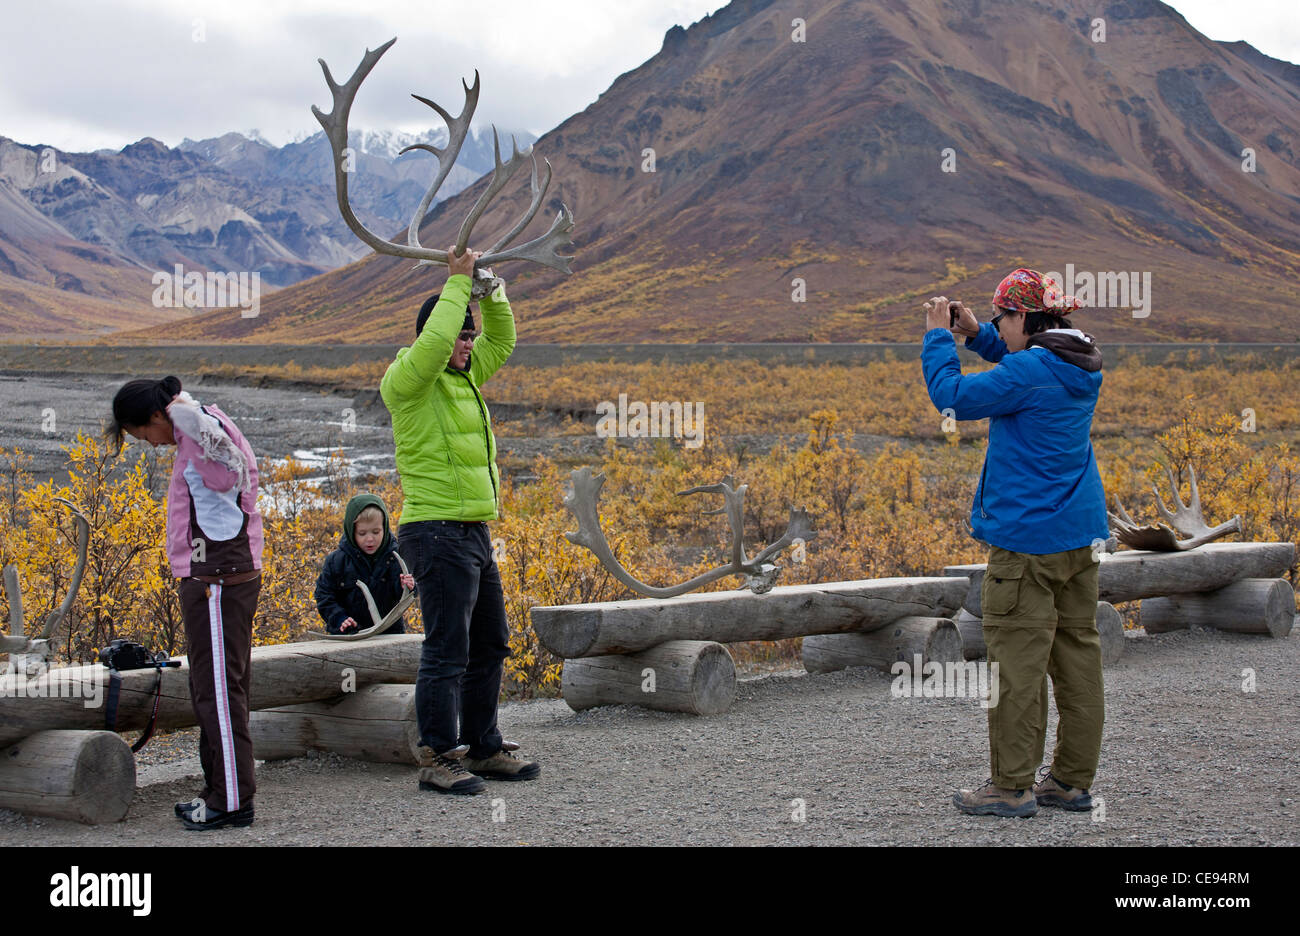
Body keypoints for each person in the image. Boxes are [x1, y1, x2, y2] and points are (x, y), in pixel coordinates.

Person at [920, 268, 1109, 818]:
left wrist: (939, 337)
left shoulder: (1031, 369)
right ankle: (1070, 783)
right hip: (1077, 540)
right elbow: (1023, 371)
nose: (1000, 326)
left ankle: (1011, 788)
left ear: (1024, 318)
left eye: (1003, 318)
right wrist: (979, 334)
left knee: (1017, 667)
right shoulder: (1078, 363)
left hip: (1027, 547)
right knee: (1077, 658)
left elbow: (951, 398)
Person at [380, 244, 540, 795]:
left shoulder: (465, 374)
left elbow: (505, 340)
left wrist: (491, 291)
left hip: (473, 529)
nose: (469, 346)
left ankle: (484, 746)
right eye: (459, 336)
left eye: (469, 337)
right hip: (434, 530)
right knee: (447, 646)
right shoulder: (408, 381)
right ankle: (438, 756)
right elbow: (431, 349)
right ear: (436, 337)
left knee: (490, 639)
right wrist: (456, 282)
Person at [106, 376, 262, 830]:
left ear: (156, 417)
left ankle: (232, 800)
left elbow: (228, 474)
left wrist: (191, 426)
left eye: (142, 436)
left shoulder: (196, 429)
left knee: (217, 690)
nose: (151, 445)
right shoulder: (199, 423)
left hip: (217, 576)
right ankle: (219, 790)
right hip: (221, 573)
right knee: (215, 686)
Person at [314, 493, 414, 635]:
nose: (370, 539)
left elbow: (406, 592)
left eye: (376, 532)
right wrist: (338, 619)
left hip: (388, 635)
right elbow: (323, 595)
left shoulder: (396, 557)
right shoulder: (336, 561)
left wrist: (408, 586)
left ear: (385, 528)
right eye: (362, 533)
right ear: (351, 531)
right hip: (348, 636)